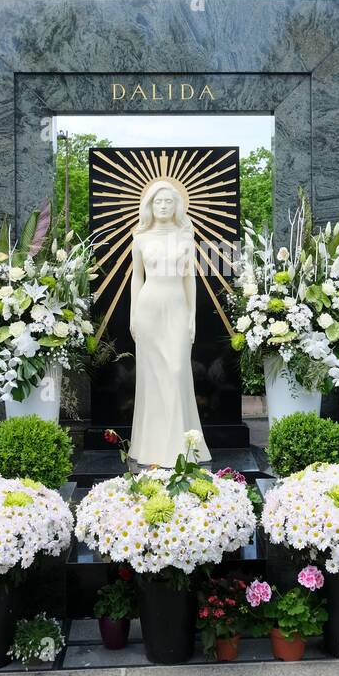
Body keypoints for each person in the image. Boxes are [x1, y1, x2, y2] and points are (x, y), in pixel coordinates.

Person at [128, 179, 211, 466]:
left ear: (177, 206)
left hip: (176, 307)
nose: (163, 206)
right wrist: (132, 316)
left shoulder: (186, 238)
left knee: (176, 371)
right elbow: (136, 278)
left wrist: (192, 316)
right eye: (158, 202)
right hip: (148, 308)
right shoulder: (140, 239)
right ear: (150, 205)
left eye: (168, 202)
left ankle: (182, 447)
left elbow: (190, 279)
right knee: (152, 380)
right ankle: (150, 448)